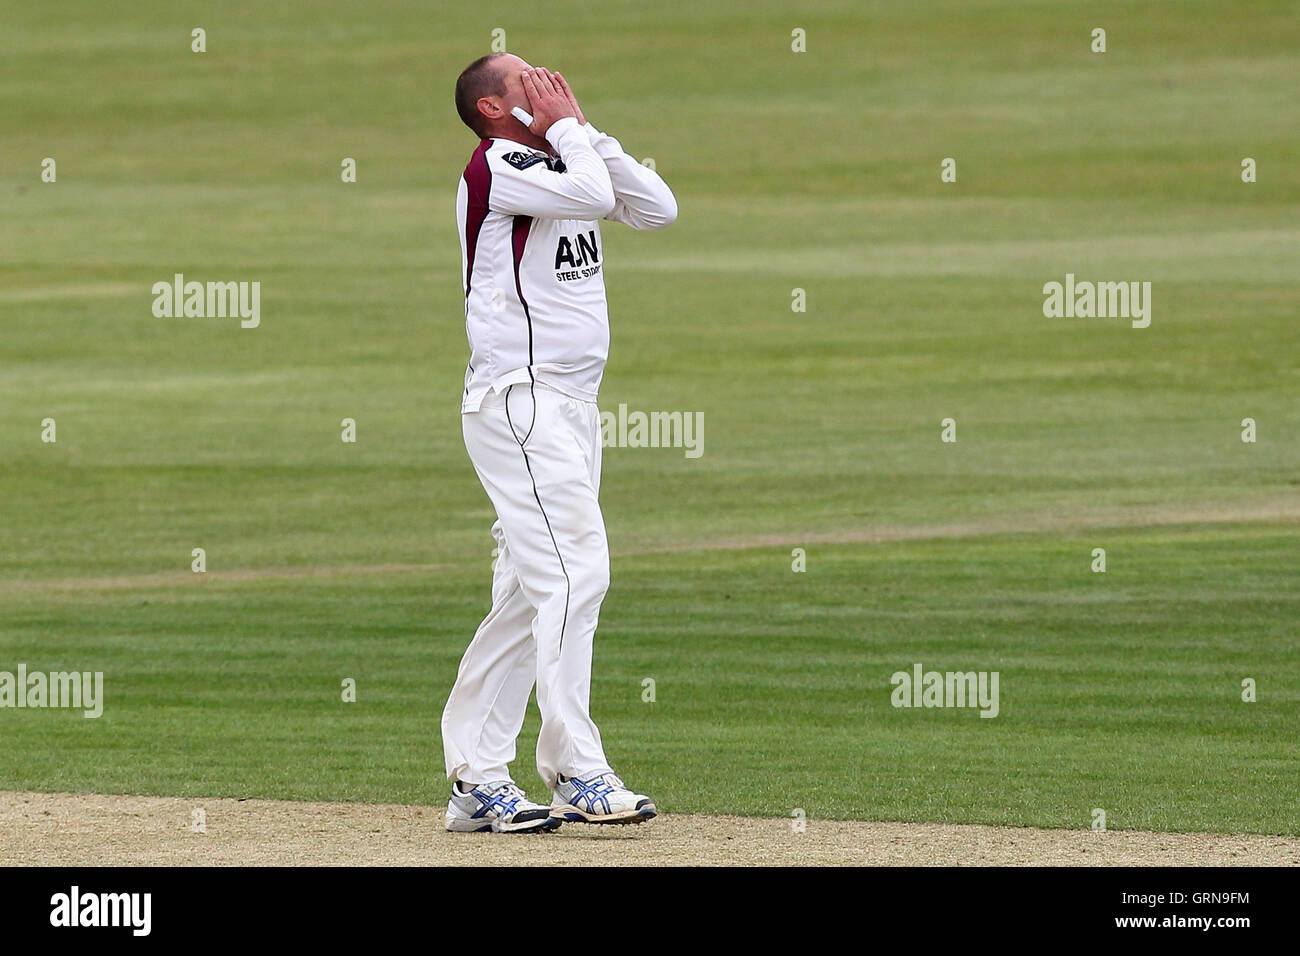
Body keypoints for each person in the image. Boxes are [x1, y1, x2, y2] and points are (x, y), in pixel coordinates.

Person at [442, 53, 678, 833]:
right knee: (580, 571)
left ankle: (475, 778)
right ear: (492, 110)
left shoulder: (562, 152)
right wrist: (568, 132)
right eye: (526, 82)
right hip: (520, 400)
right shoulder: (501, 164)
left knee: (527, 595)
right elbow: (592, 193)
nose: (545, 81)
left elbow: (655, 207)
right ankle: (575, 768)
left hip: (573, 406)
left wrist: (581, 127)